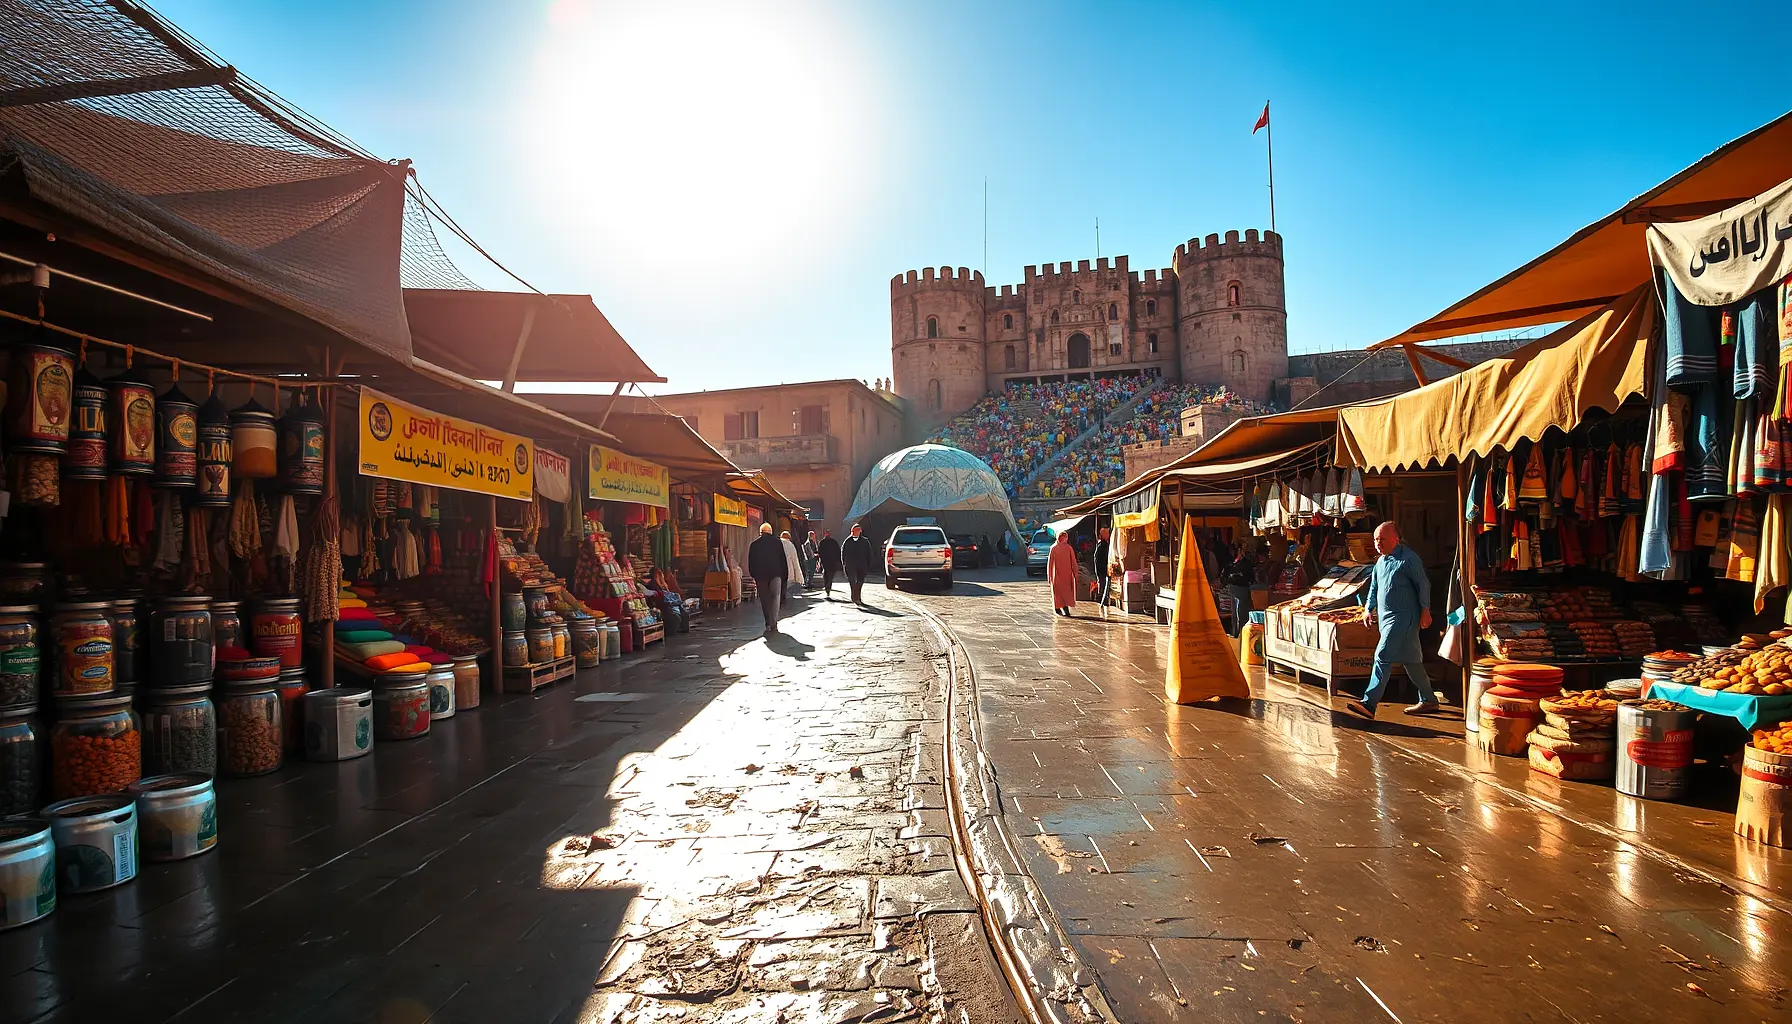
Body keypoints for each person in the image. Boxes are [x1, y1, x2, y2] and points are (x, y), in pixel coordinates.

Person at [1348, 522, 1439, 719]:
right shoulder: (1380, 562)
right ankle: (1429, 699)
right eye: (1375, 540)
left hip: (1403, 617)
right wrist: (1368, 609)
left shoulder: (1409, 559)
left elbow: (1423, 584)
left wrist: (1426, 609)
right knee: (1412, 661)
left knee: (1382, 655)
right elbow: (1374, 587)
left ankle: (1369, 703)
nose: (1378, 544)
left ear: (1395, 539)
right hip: (1385, 618)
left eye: (1382, 539)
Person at [747, 523, 787, 634]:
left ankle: (768, 623)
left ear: (760, 532)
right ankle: (774, 622)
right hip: (776, 574)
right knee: (775, 597)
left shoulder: (754, 545)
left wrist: (754, 574)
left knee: (765, 600)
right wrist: (784, 576)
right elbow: (783, 560)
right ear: (770, 532)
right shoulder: (777, 543)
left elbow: (751, 562)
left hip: (761, 576)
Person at [1222, 542, 1256, 637]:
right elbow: (1224, 575)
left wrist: (1231, 579)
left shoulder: (1245, 563)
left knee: (1241, 614)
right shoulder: (1231, 563)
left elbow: (1248, 577)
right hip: (1233, 589)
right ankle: (1236, 634)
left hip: (1241, 589)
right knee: (1235, 615)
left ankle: (1241, 635)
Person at [1048, 527, 1079, 616]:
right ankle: (1060, 608)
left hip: (1063, 575)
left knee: (1062, 593)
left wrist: (1075, 572)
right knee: (1060, 593)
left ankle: (1062, 608)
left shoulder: (1065, 548)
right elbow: (1050, 563)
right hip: (1059, 575)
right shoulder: (1056, 548)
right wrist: (1050, 576)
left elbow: (1073, 561)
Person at [841, 523, 874, 605]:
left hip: (862, 565)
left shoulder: (865, 541)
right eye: (856, 530)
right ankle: (854, 597)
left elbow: (869, 553)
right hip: (850, 565)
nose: (858, 532)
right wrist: (844, 563)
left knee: (860, 581)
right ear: (852, 531)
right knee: (852, 581)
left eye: (859, 530)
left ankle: (857, 597)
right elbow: (843, 553)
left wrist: (869, 564)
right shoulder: (847, 541)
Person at [1092, 527, 1113, 620]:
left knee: (1104, 586)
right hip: (1102, 570)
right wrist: (1098, 573)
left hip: (1104, 570)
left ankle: (1103, 601)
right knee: (1103, 586)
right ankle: (1102, 601)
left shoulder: (1105, 544)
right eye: (1107, 533)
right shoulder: (1102, 545)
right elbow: (1097, 560)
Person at [779, 530, 803, 602]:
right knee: (787, 589)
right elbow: (795, 561)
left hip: (778, 571)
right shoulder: (791, 545)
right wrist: (798, 577)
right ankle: (784, 600)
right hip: (789, 571)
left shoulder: (777, 543)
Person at [817, 530, 842, 600]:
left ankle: (827, 586)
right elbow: (838, 551)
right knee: (829, 574)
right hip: (830, 562)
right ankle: (827, 586)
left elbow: (819, 552)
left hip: (828, 562)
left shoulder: (823, 542)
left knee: (827, 574)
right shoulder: (832, 542)